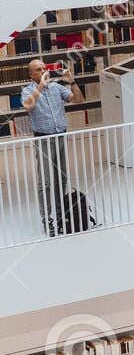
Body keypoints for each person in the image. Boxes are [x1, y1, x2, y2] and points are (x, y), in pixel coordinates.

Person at [21, 57, 77, 236]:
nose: (43, 71)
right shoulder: (28, 90)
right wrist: (40, 87)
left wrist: (72, 81)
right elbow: (28, 106)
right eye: (38, 69)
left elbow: (79, 100)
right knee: (44, 182)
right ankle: (47, 219)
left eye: (44, 68)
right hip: (43, 140)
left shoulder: (57, 87)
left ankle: (61, 216)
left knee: (61, 179)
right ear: (31, 74)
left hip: (60, 137)